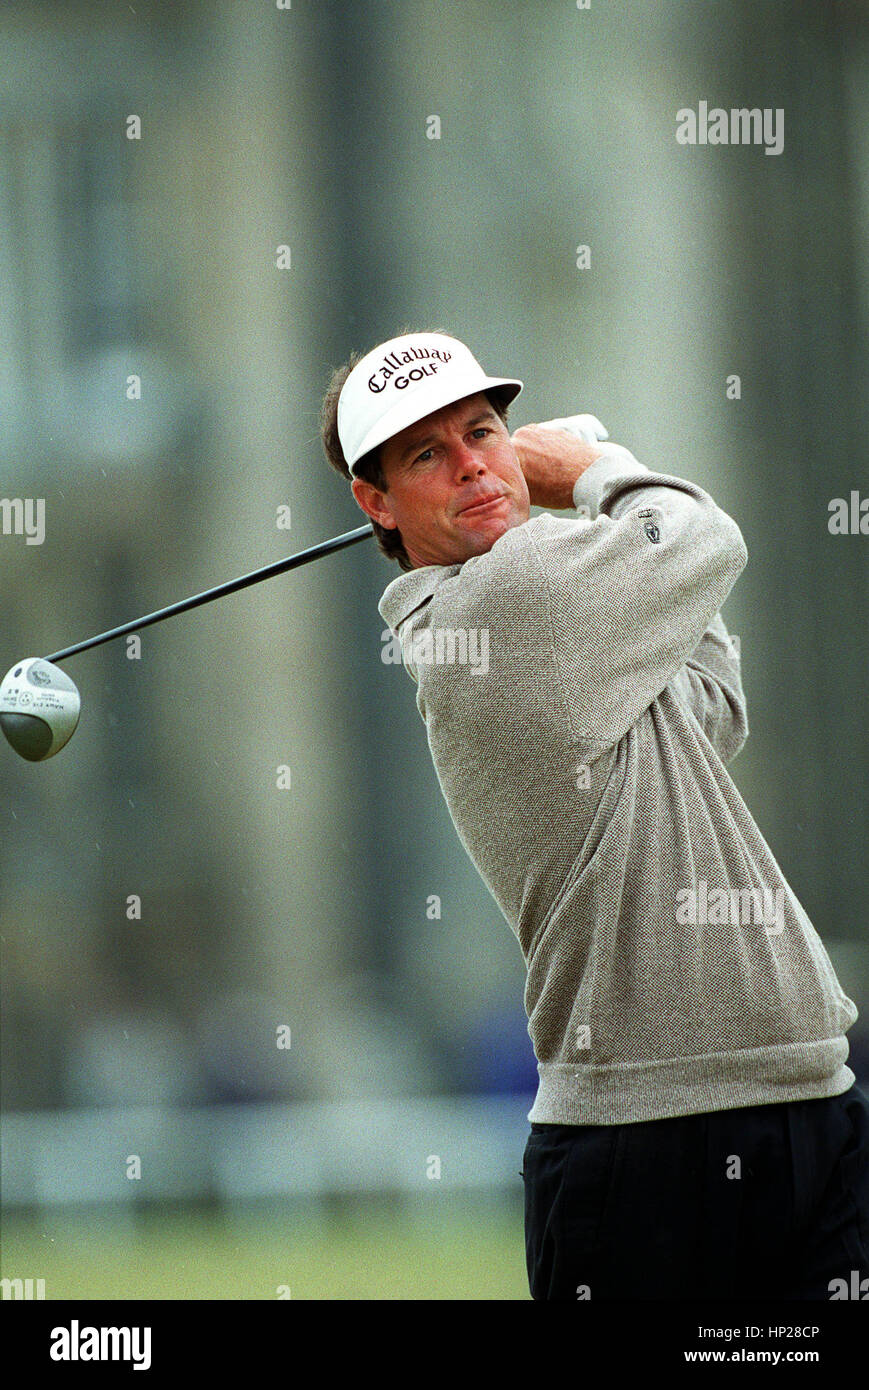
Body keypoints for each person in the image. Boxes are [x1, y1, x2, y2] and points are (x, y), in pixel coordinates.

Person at [320, 329, 868, 1301]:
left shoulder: (550, 608)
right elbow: (705, 539)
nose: (469, 466)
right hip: (651, 1144)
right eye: (424, 455)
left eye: (481, 432)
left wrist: (588, 507)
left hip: (793, 1095)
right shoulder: (500, 604)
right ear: (375, 503)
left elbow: (712, 699)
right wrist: (594, 473)